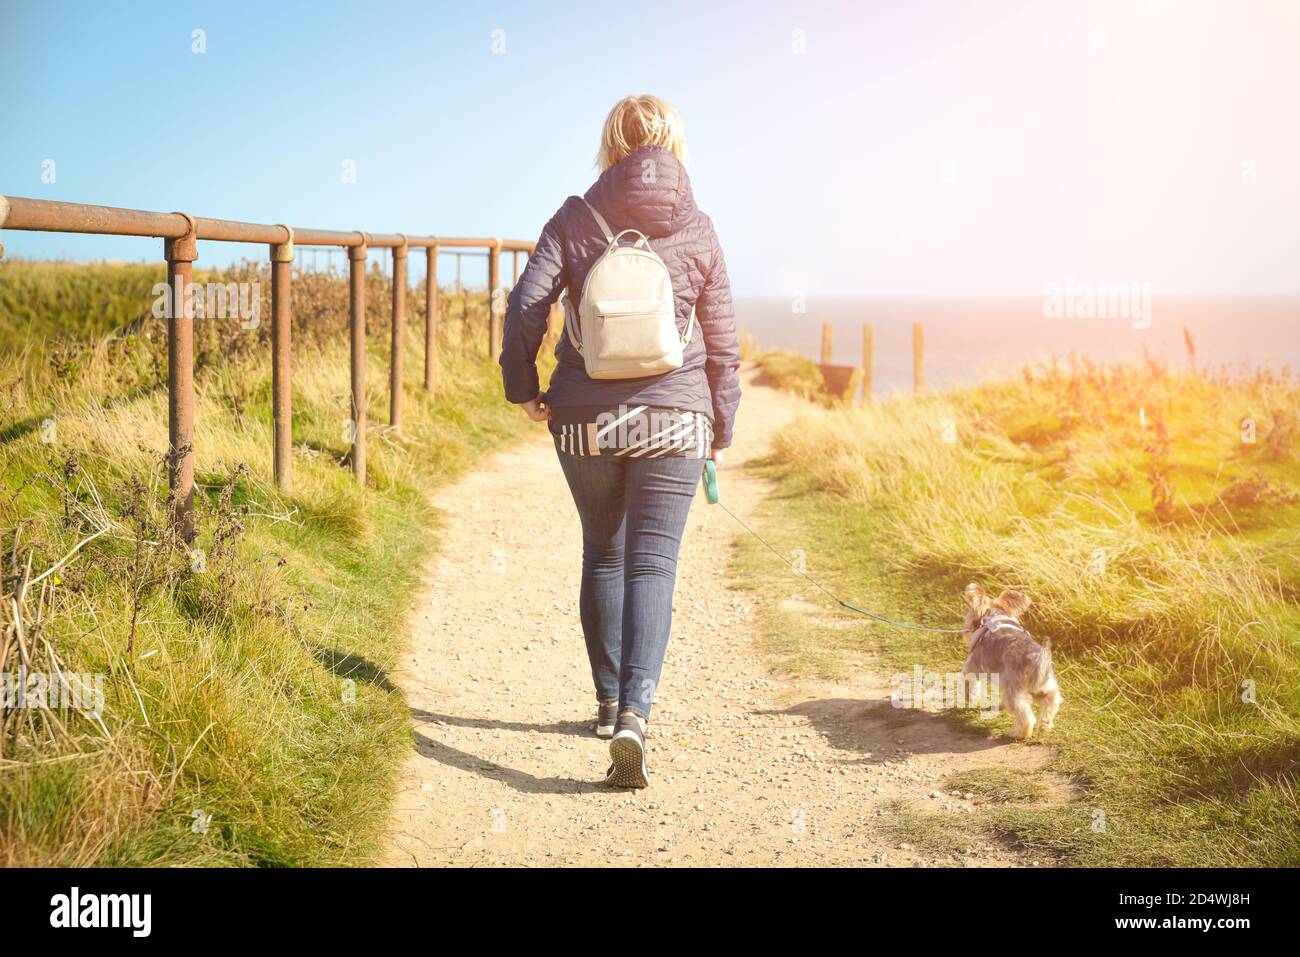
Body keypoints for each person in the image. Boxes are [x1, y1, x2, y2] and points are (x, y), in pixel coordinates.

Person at [499, 94, 741, 788]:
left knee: (603, 552)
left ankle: (607, 703)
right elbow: (723, 343)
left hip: (583, 420)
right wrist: (719, 425)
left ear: (612, 144)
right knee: (652, 564)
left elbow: (525, 304)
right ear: (675, 145)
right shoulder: (699, 228)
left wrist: (524, 387)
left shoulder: (575, 216)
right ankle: (635, 715)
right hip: (676, 420)